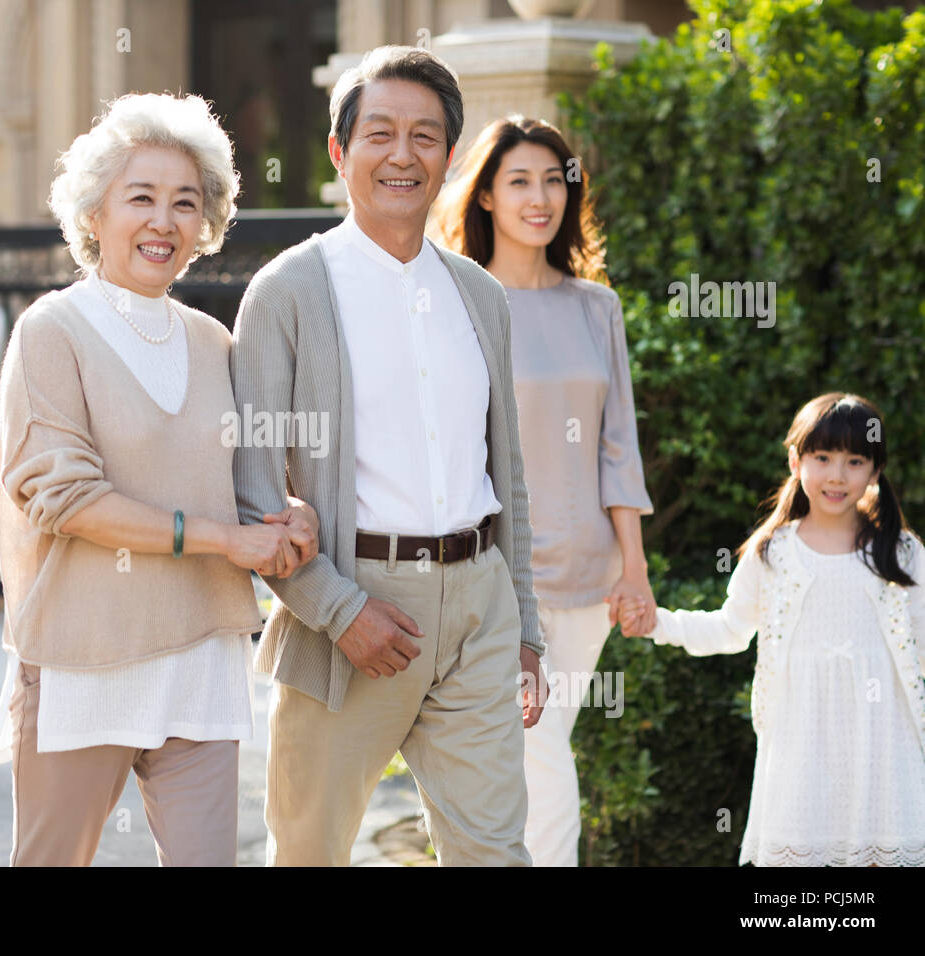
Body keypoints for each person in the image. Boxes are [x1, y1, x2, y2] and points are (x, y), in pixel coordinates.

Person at [230, 45, 548, 867]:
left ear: (449, 156)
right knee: (310, 851)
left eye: (426, 136)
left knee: (495, 851)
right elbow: (254, 494)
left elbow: (503, 471)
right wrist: (342, 613)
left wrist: (526, 630)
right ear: (340, 151)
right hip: (352, 607)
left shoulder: (480, 296)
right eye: (380, 133)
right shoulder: (286, 292)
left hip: (481, 610)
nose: (402, 155)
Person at [0, 92, 320, 867]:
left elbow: (246, 478)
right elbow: (63, 495)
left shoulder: (213, 341)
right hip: (83, 660)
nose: (164, 221)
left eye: (186, 203)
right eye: (141, 198)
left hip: (201, 655)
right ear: (94, 212)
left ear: (206, 225)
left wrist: (290, 516)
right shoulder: (52, 331)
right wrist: (223, 541)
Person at [431, 115, 654, 866]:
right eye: (519, 181)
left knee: (539, 754)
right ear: (486, 195)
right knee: (543, 762)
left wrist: (636, 567)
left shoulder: (598, 308)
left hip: (589, 579)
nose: (539, 197)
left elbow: (617, 446)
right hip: (494, 576)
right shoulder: (457, 299)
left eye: (553, 180)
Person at [619, 393, 925, 867]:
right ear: (796, 460)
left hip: (882, 742)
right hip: (800, 744)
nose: (837, 475)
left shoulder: (901, 555)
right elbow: (728, 628)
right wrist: (659, 621)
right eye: (822, 457)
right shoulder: (774, 552)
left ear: (875, 472)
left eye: (855, 460)